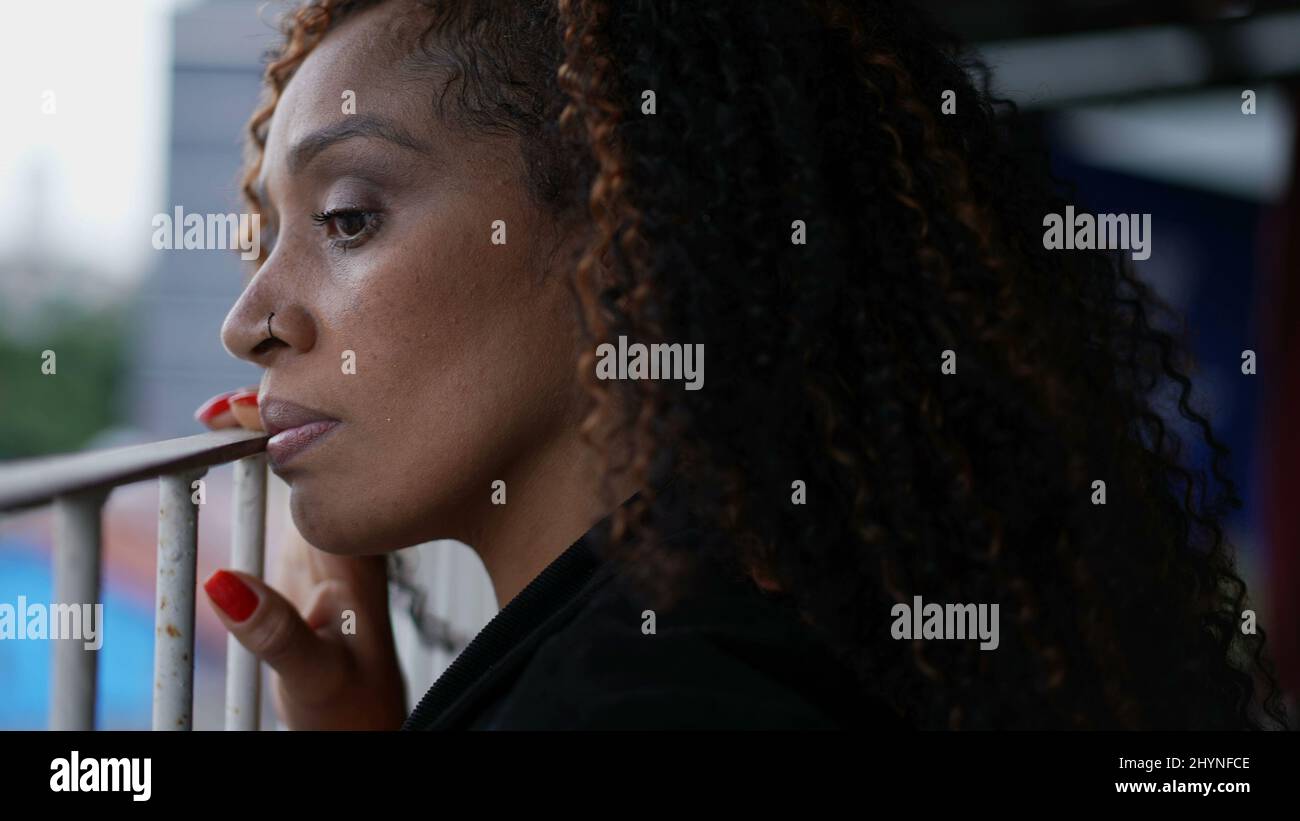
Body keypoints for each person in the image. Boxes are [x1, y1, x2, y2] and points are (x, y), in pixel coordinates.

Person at [194, 0, 1286, 730]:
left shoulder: (638, 696)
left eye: (345, 218)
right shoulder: (772, 614)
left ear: (633, 233)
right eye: (263, 237)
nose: (251, 320)